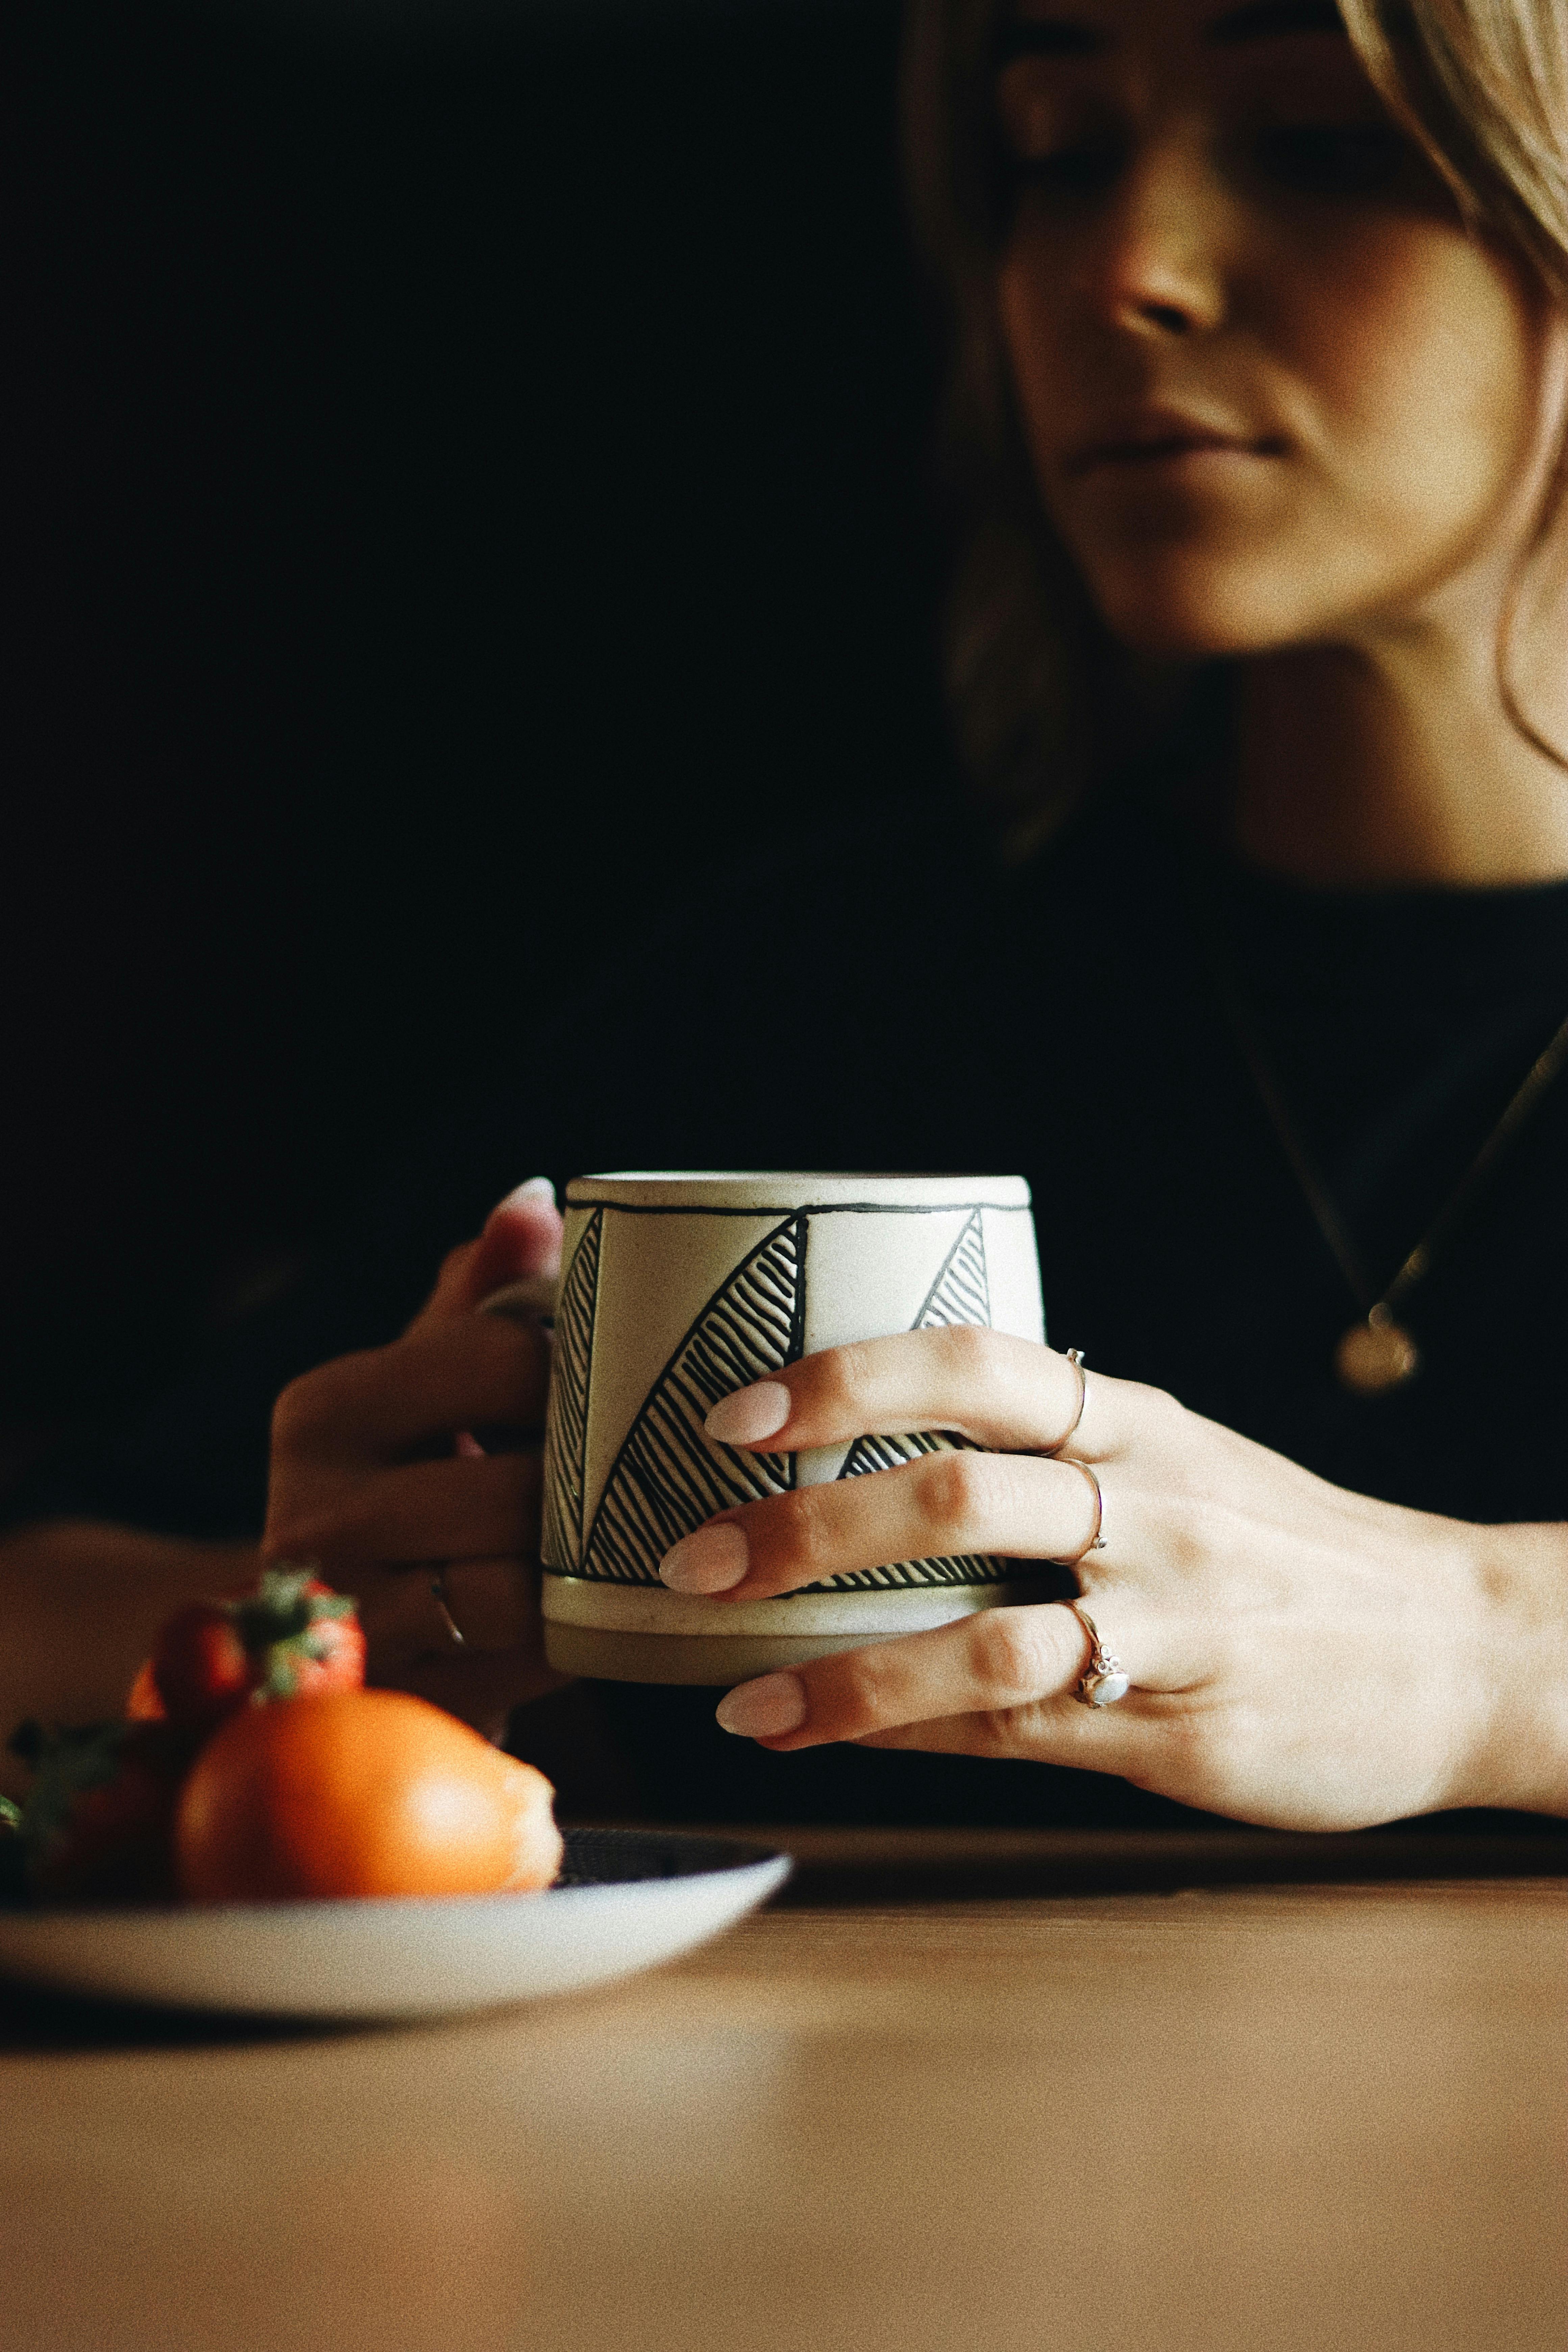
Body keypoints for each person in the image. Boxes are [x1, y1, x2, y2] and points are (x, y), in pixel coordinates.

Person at [4, 0, 1567, 1832]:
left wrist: (1486, 1653)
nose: (1122, 270)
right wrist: (342, 1642)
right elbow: (41, 1596)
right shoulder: (835, 990)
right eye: (1058, 156)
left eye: (1322, 143)